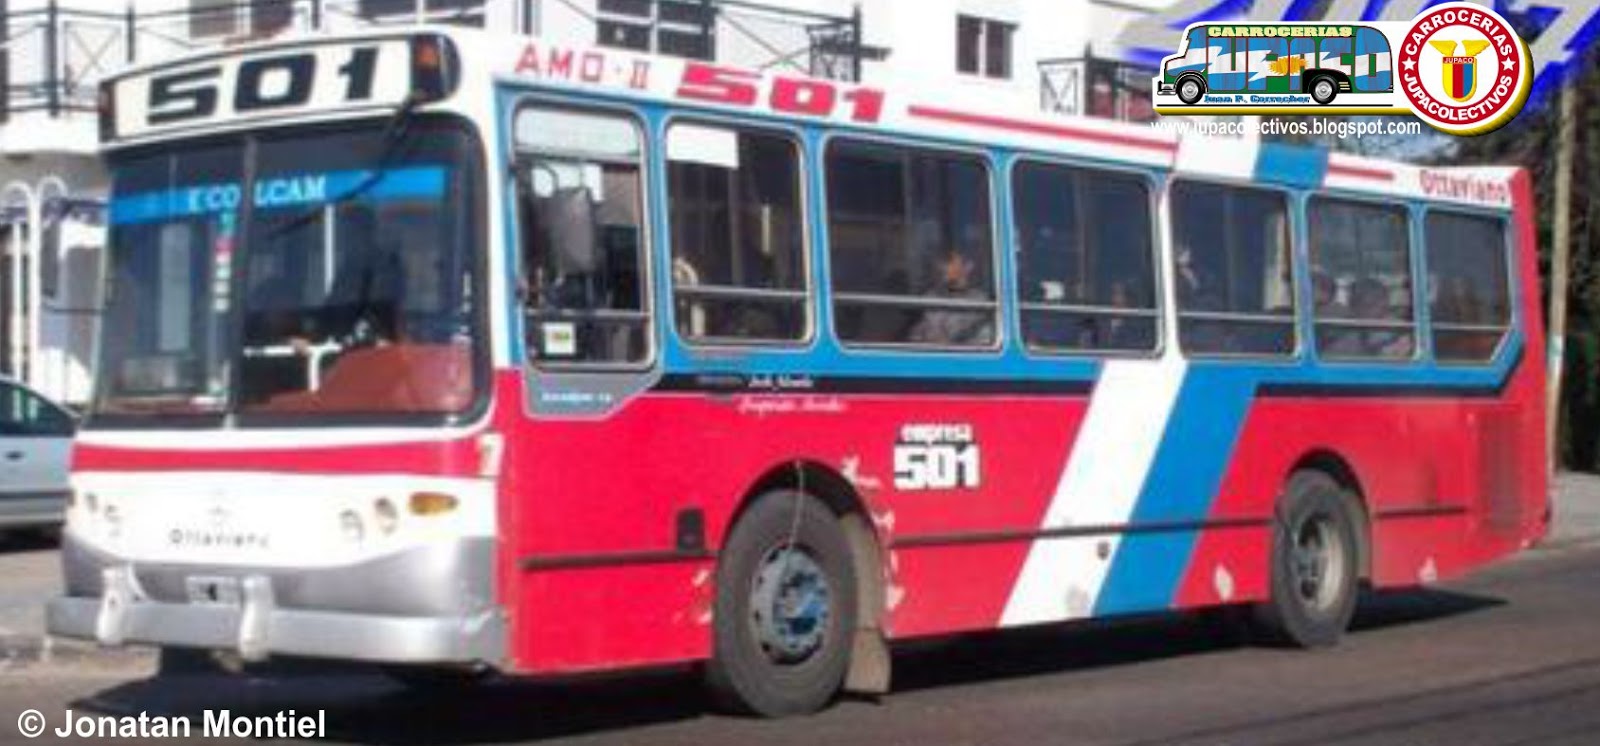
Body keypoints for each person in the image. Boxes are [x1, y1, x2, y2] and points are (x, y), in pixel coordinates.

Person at [909, 249, 993, 346]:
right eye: (942, 263)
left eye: (949, 262)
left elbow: (984, 337)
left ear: (968, 267)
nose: (942, 267)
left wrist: (952, 344)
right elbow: (917, 333)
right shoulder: (930, 297)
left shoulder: (980, 301)